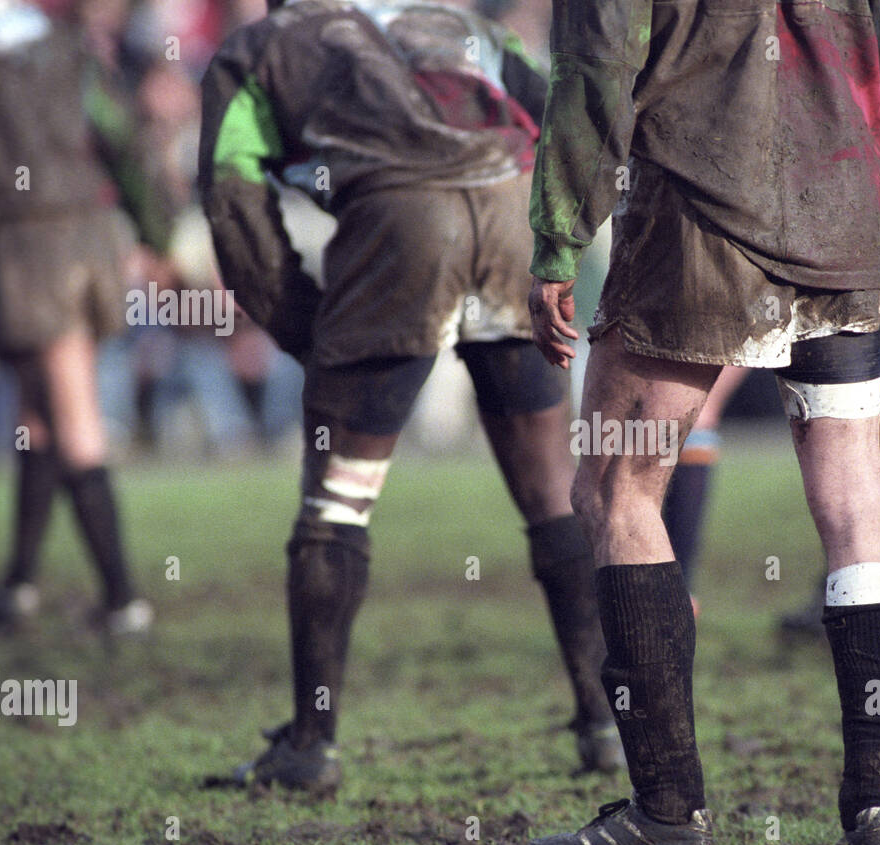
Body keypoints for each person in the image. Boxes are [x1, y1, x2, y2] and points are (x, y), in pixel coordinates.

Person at [526, 0, 880, 845]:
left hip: (692, 220)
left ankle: (667, 813)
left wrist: (557, 239)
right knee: (859, 508)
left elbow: (597, 64)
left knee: (615, 489)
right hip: (840, 221)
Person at [199, 0, 622, 793]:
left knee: (336, 505)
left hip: (400, 229)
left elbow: (232, 200)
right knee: (552, 495)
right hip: (512, 216)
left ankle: (310, 749)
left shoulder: (255, 51)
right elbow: (567, 111)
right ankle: (605, 722)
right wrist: (558, 240)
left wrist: (304, 326)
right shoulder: (459, 22)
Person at [0, 0, 164, 637]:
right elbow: (121, 138)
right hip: (84, 239)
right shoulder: (70, 47)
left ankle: (123, 598)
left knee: (73, 419)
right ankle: (20, 584)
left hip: (23, 249)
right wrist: (153, 233)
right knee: (37, 417)